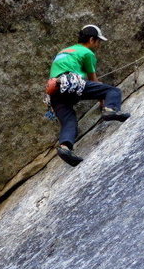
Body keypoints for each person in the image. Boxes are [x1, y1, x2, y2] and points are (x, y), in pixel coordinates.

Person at [48, 24, 129, 166]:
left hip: (54, 92)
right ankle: (111, 110)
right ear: (92, 40)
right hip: (70, 82)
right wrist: (103, 101)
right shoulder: (87, 53)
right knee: (112, 91)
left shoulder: (64, 51)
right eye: (99, 41)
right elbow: (93, 80)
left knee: (69, 121)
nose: (99, 45)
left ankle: (65, 148)